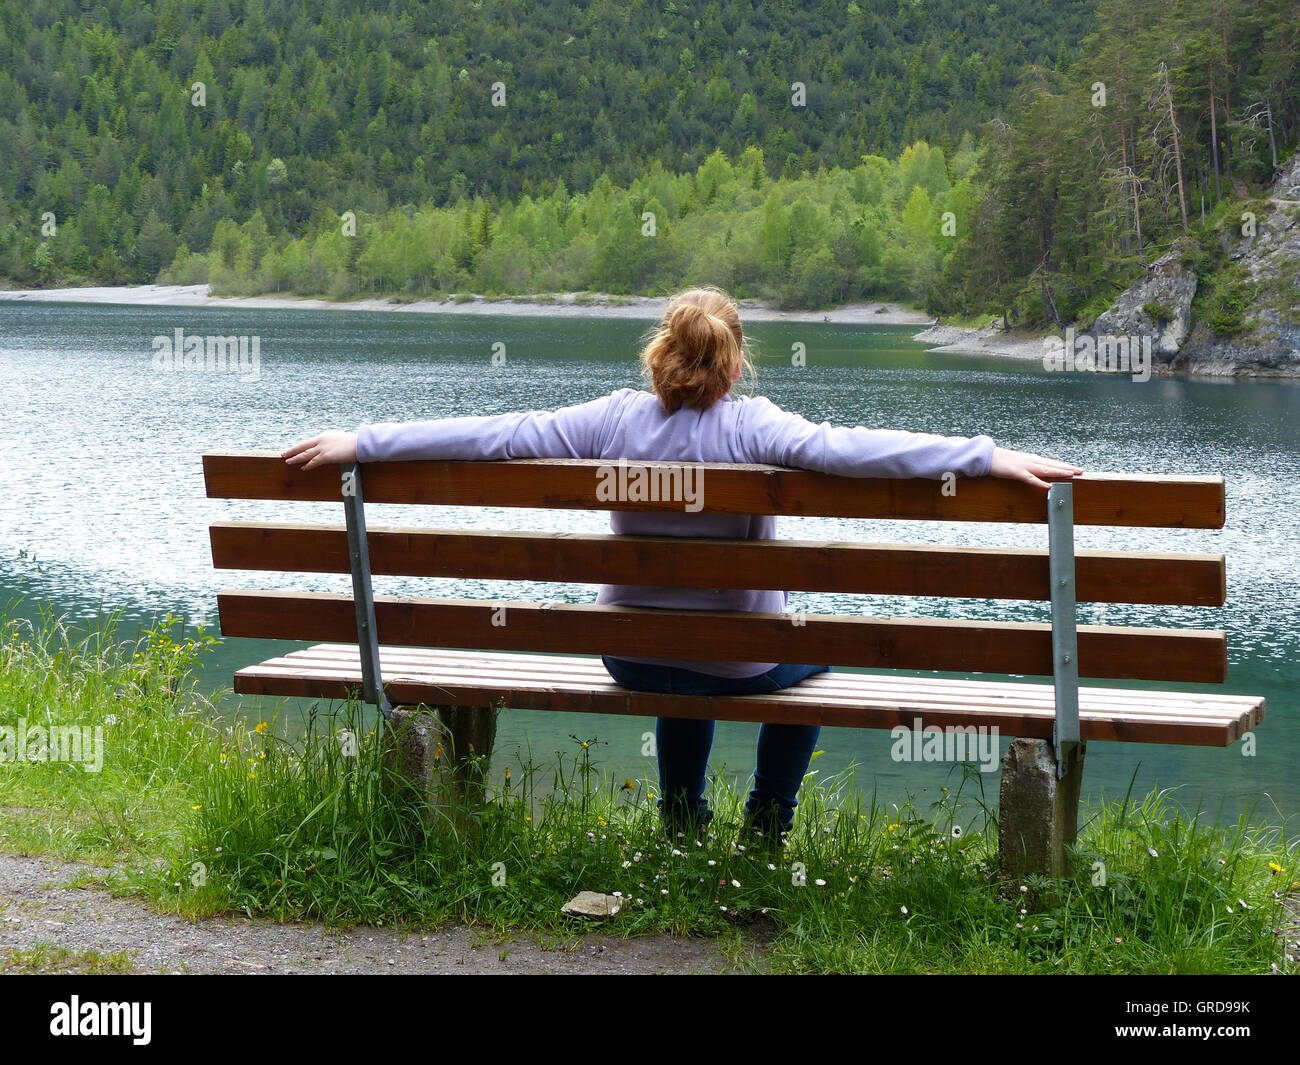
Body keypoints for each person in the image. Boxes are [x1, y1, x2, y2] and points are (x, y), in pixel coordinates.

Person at [284, 286, 1082, 841]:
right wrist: (986, 454)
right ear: (735, 366)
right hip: (735, 659)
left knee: (681, 649)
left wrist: (365, 441)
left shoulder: (610, 418)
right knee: (809, 648)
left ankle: (679, 816)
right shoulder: (755, 427)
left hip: (628, 652)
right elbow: (856, 450)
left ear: (662, 355)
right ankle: (768, 820)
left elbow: (498, 432)